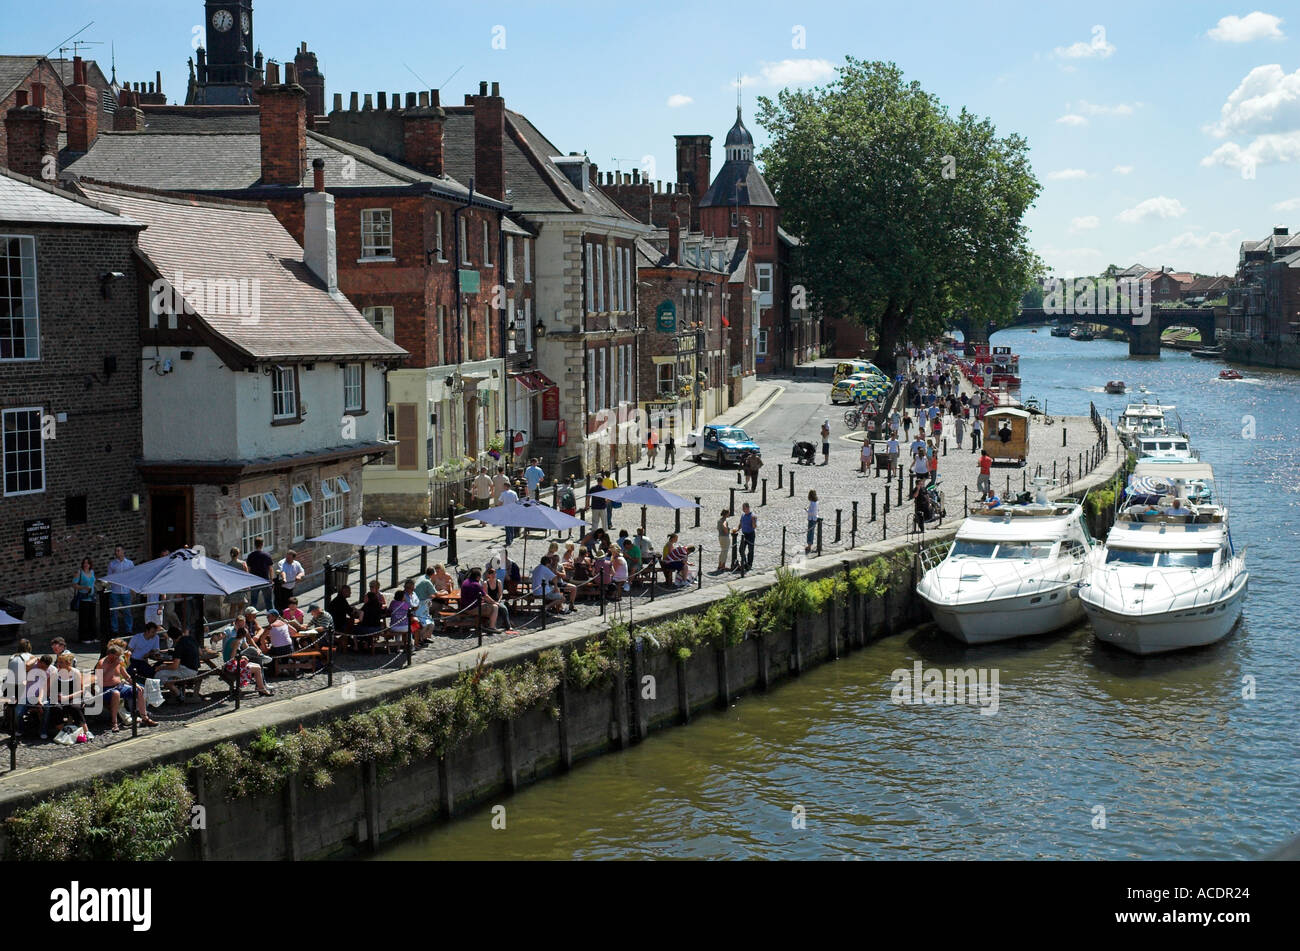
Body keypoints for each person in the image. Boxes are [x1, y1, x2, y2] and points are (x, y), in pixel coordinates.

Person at [94, 647, 159, 730]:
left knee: (139, 690)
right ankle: (114, 723)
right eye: (117, 656)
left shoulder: (119, 661)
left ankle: (145, 718)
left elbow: (126, 676)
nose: (119, 658)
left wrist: (135, 684)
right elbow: (100, 680)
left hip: (119, 686)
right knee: (116, 694)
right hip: (105, 689)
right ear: (111, 655)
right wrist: (113, 666)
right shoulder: (101, 663)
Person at [217, 629, 273, 698]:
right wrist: (241, 658)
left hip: (229, 663)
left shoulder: (233, 639)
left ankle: (260, 687)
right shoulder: (237, 642)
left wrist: (242, 656)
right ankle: (261, 688)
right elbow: (232, 657)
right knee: (257, 667)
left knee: (257, 665)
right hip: (231, 665)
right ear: (244, 635)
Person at [105, 545, 134, 638]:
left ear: (123, 551)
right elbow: (109, 577)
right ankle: (114, 630)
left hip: (126, 590)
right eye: (116, 551)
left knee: (127, 611)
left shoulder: (129, 563)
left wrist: (132, 589)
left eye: (118, 551)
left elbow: (133, 576)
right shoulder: (112, 564)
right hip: (115, 591)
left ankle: (129, 630)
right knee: (114, 612)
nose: (117, 552)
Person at [72, 557, 98, 644]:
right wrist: (84, 587)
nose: (86, 565)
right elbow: (74, 584)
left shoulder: (92, 572)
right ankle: (84, 638)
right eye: (84, 563)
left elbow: (93, 582)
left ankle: (93, 636)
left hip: (92, 598)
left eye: (87, 563)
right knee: (84, 619)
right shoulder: (79, 572)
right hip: (83, 598)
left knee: (92, 618)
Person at [245, 538, 274, 612]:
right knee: (268, 602)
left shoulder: (251, 555)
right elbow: (270, 569)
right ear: (262, 544)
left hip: (254, 581)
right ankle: (272, 619)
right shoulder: (266, 555)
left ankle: (251, 620)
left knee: (254, 602)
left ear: (254, 545)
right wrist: (271, 580)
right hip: (265, 580)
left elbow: (248, 569)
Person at [226, 546, 250, 618]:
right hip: (241, 587)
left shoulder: (228, 565)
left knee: (232, 607)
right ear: (238, 554)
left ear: (230, 554)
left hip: (232, 587)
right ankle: (239, 623)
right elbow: (247, 575)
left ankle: (231, 623)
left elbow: (227, 577)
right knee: (240, 608)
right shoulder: (243, 563)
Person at [498, 482, 520, 546]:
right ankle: (512, 537)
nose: (503, 488)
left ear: (506, 487)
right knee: (511, 525)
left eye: (504, 486)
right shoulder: (514, 493)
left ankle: (508, 540)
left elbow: (500, 503)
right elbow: (517, 501)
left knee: (507, 526)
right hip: (513, 510)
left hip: (506, 511)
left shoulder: (503, 494)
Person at [738, 503, 757, 571]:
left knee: (750, 550)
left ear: (748, 508)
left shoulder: (753, 516)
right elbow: (741, 523)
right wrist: (737, 529)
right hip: (744, 535)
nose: (743, 509)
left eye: (744, 508)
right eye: (743, 508)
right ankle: (745, 562)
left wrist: (753, 521)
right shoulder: (743, 515)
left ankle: (749, 564)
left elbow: (754, 527)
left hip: (750, 535)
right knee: (741, 549)